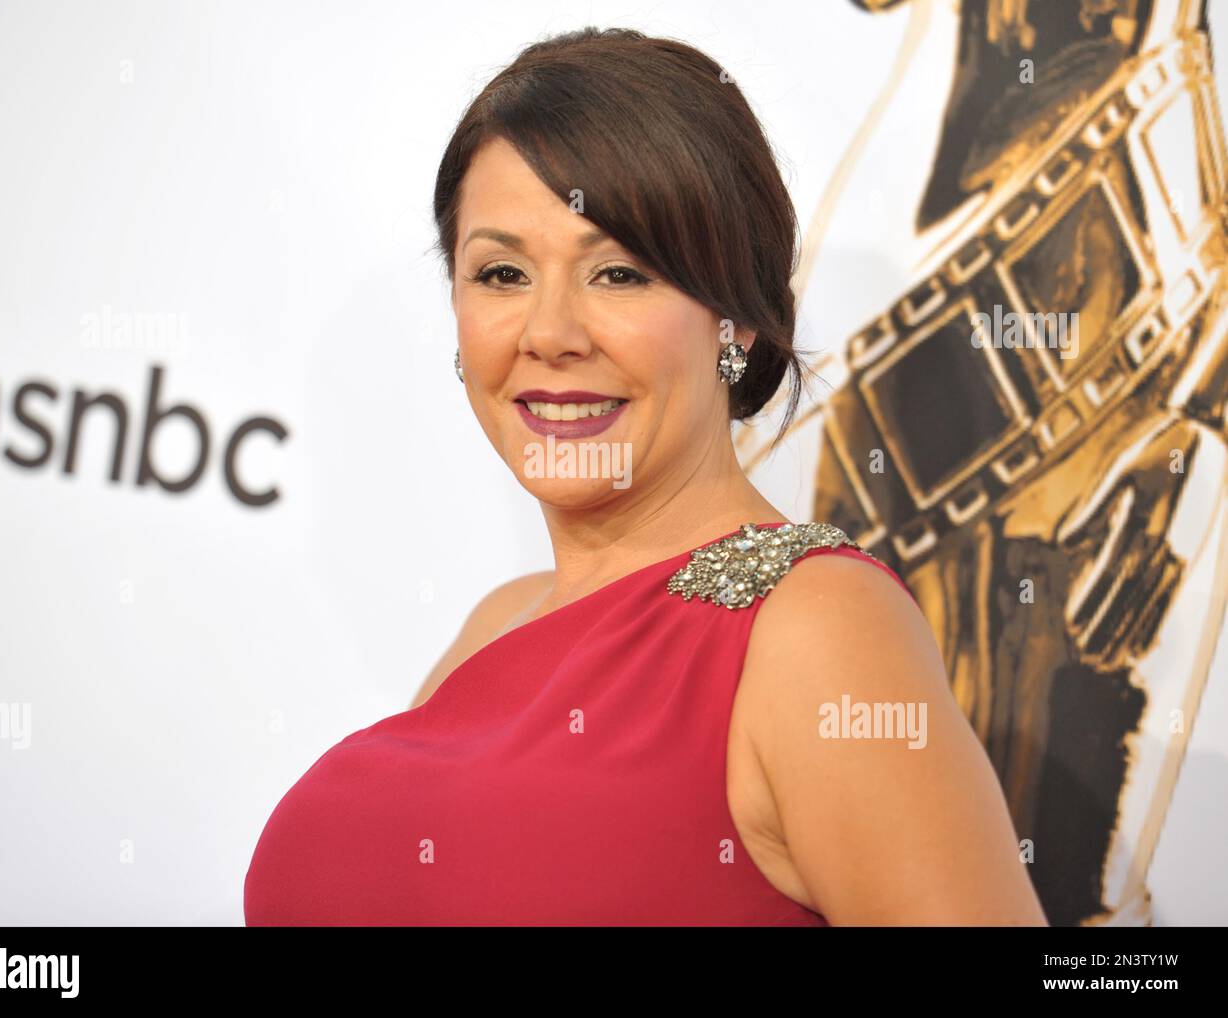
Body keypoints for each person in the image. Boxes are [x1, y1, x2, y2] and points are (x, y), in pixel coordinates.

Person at [243, 26, 1048, 926]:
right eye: (501, 273)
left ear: (738, 320)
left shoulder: (817, 629)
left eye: (619, 274)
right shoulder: (495, 626)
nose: (549, 333)